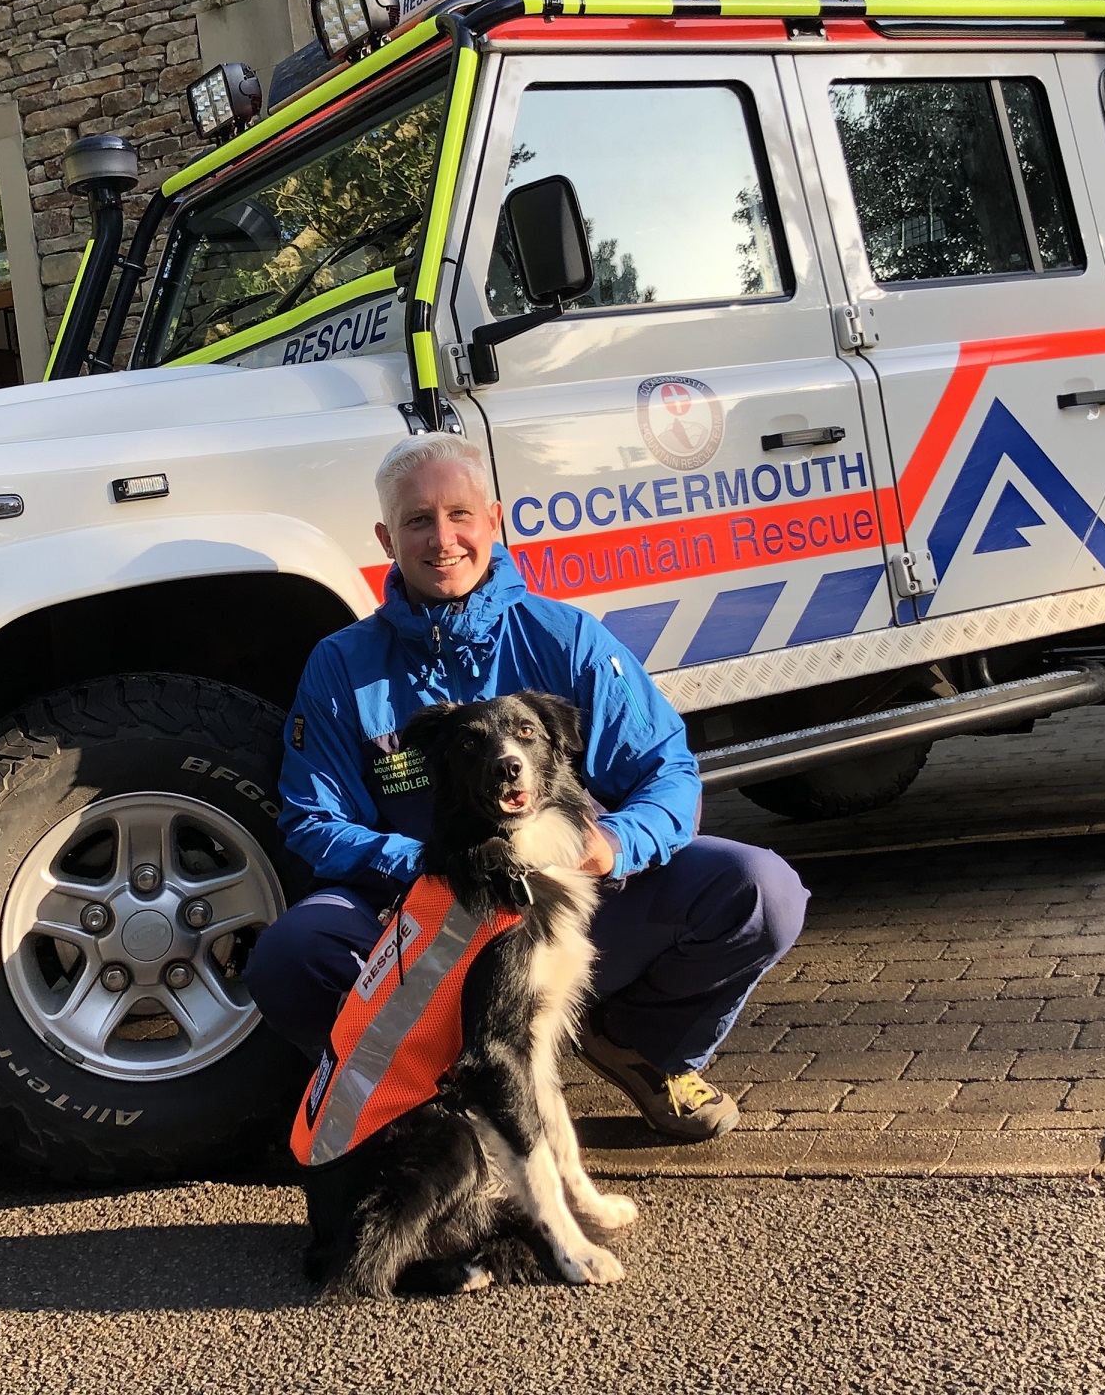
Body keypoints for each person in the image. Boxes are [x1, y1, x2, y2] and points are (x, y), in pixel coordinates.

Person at [245, 432, 810, 1141]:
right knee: (290, 957)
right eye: (418, 521)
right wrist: (430, 868)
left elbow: (668, 773)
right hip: (416, 915)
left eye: (460, 515)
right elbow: (311, 819)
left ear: (494, 520)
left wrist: (613, 845)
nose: (442, 539)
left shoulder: (565, 638)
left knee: (759, 890)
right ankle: (431, 1112)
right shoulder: (341, 666)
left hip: (560, 902)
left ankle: (640, 1045)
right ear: (387, 538)